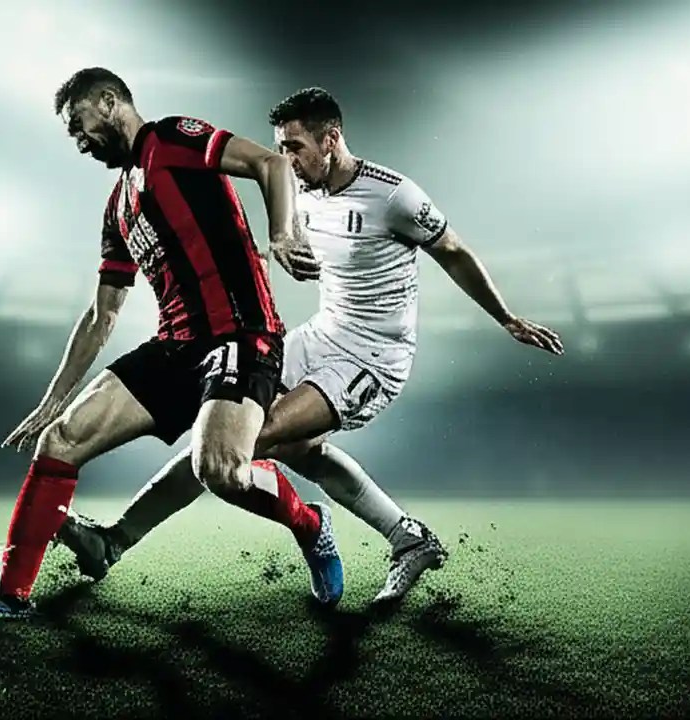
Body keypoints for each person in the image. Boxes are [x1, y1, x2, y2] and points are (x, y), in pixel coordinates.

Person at [55, 87, 564, 605]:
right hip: (318, 336)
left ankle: (121, 539)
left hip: (372, 357)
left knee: (246, 445)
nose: (287, 159)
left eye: (295, 147)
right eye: (282, 146)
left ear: (331, 139)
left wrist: (506, 317)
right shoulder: (302, 192)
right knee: (228, 435)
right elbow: (276, 233)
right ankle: (407, 536)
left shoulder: (394, 196)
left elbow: (453, 251)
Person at [0, 69, 345, 621]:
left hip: (238, 333)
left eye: (78, 124)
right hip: (173, 348)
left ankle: (310, 523)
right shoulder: (117, 208)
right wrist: (52, 402)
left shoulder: (173, 140)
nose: (78, 140)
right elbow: (100, 315)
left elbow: (271, 163)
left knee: (222, 471)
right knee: (60, 442)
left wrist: (283, 233)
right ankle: (12, 595)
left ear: (109, 102)